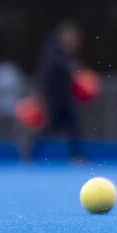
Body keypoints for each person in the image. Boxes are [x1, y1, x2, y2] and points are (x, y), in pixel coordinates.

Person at [20, 21, 86, 163]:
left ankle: (76, 156)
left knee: (74, 127)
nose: (75, 42)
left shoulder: (67, 54)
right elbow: (49, 74)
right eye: (72, 38)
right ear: (64, 37)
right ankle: (28, 148)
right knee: (48, 128)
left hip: (66, 99)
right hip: (54, 99)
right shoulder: (53, 52)